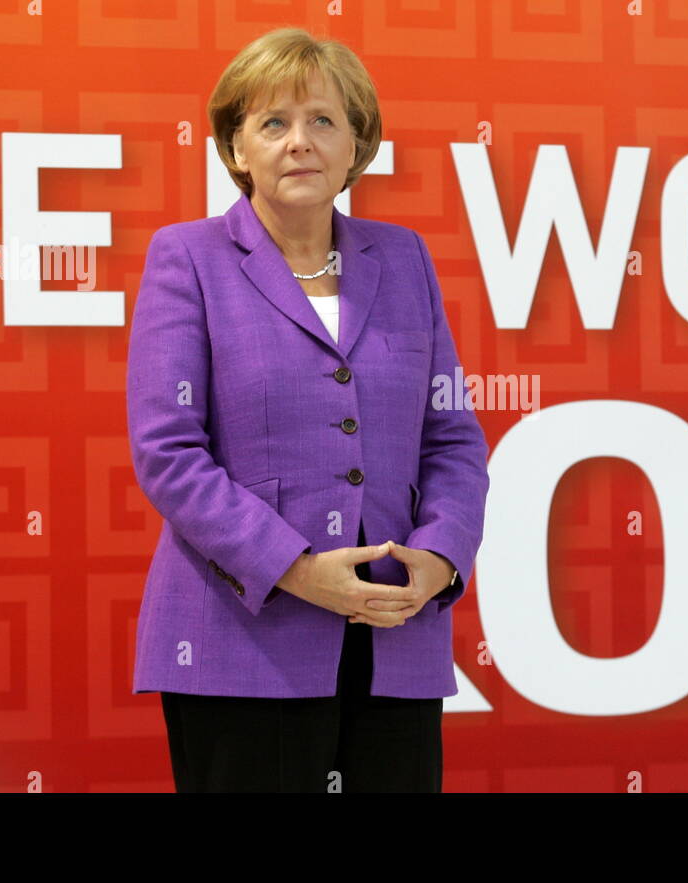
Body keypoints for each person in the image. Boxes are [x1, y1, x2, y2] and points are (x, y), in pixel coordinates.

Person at [125, 27, 489, 793]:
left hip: (394, 635)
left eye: (323, 120)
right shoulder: (187, 257)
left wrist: (441, 557)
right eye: (273, 123)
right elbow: (169, 449)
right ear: (236, 148)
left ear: (356, 143)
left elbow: (452, 434)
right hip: (241, 641)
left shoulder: (405, 258)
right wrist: (296, 569)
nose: (300, 143)